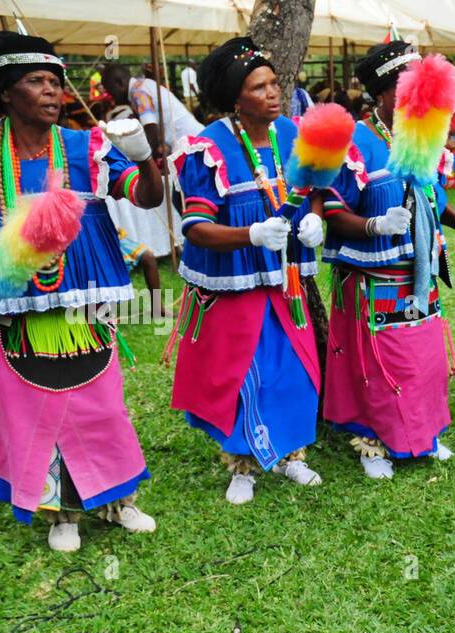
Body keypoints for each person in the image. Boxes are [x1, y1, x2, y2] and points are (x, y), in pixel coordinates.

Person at [0, 30, 164, 551]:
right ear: (6, 92)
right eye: (37, 81)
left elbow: (147, 198)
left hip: (83, 308)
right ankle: (61, 515)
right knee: (31, 411)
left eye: (56, 80)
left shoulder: (86, 147)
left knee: (102, 406)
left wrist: (144, 156)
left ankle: (118, 499)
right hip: (13, 315)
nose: (53, 91)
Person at [320, 42, 455, 480]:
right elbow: (333, 210)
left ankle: (424, 433)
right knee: (379, 363)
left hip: (419, 271)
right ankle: (373, 443)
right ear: (385, 92)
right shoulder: (354, 141)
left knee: (424, 359)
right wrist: (374, 225)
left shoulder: (421, 135)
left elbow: (433, 197)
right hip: (372, 275)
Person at [166, 36, 325, 504]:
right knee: (246, 373)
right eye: (260, 87)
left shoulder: (292, 135)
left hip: (287, 281)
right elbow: (196, 228)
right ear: (236, 99)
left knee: (295, 369)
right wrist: (251, 234)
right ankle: (243, 465)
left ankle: (292, 454)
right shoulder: (207, 148)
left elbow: (314, 189)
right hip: (237, 285)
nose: (274, 93)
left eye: (275, 83)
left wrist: (314, 218)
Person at [102, 62, 203, 259]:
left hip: (192, 146)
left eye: (109, 89)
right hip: (188, 144)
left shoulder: (139, 92)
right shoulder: (144, 86)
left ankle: (200, 245)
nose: (110, 96)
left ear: (119, 82)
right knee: (181, 198)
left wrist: (141, 162)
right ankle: (198, 246)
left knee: (182, 198)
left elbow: (151, 131)